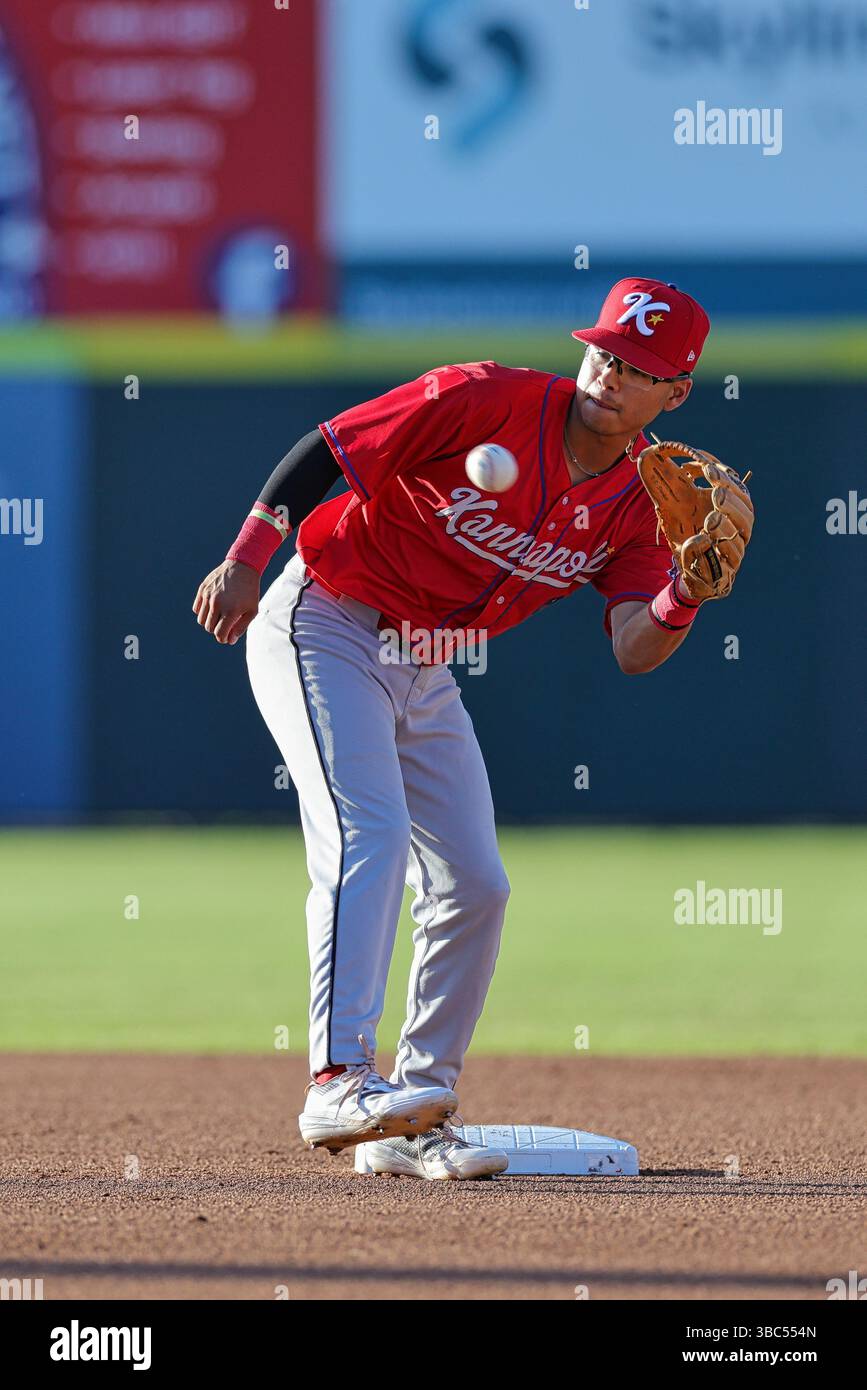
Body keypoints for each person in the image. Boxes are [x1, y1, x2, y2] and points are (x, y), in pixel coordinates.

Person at [193, 278, 739, 1182]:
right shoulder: (484, 396)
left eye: (638, 367)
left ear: (675, 394)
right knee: (364, 832)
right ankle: (337, 1079)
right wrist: (247, 557)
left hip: (426, 661)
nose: (609, 373)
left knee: (475, 883)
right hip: (324, 617)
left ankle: (416, 1112)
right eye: (604, 350)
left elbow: (632, 650)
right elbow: (327, 446)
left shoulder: (645, 498)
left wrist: (683, 592)